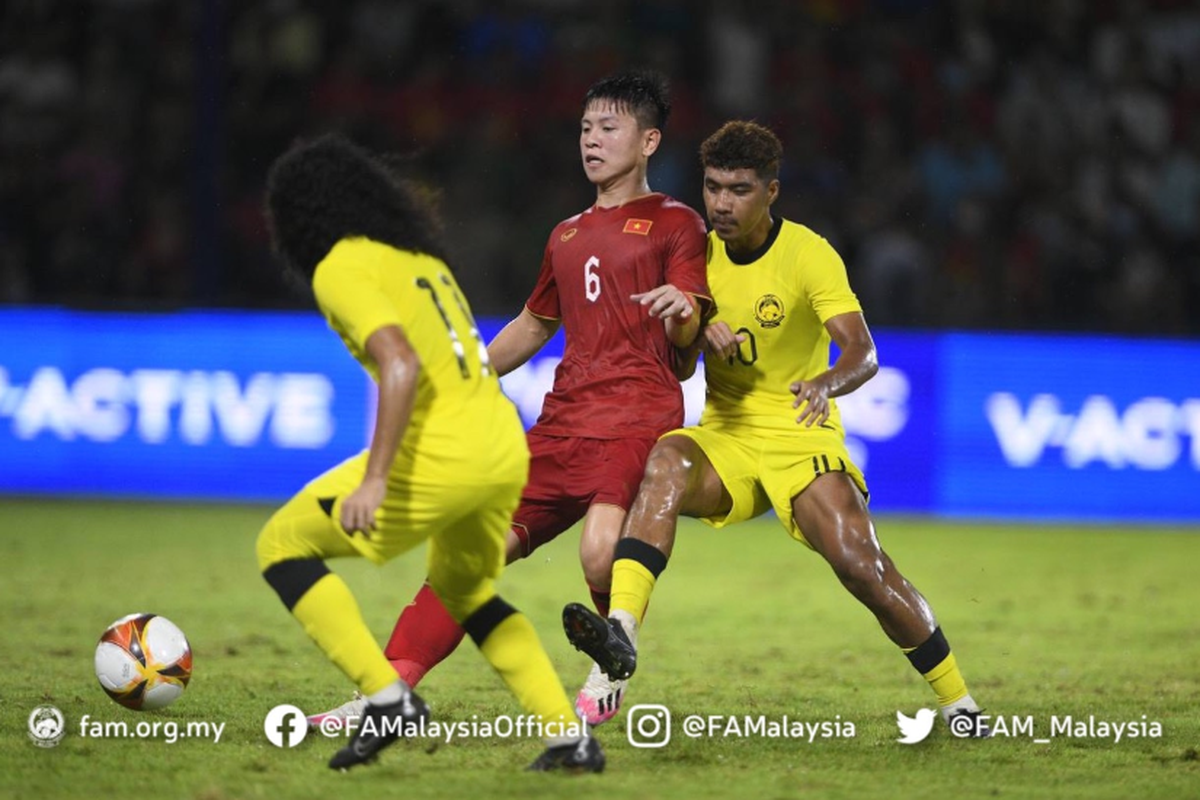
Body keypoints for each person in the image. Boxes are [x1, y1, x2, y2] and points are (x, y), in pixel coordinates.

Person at [306, 70, 710, 730]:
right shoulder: (566, 235)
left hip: (636, 415)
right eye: (585, 128)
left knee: (598, 550)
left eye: (609, 128)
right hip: (560, 424)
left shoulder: (676, 223)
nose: (591, 140)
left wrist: (681, 313)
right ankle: (384, 695)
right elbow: (532, 325)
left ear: (648, 142)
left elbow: (689, 320)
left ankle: (611, 665)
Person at [563, 120, 987, 732]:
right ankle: (618, 645)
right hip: (726, 435)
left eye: (738, 190)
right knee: (664, 464)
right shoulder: (695, 254)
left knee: (861, 567)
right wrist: (690, 329)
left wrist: (823, 384)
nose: (721, 204)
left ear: (771, 192)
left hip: (798, 434)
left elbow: (862, 354)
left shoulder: (809, 254)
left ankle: (959, 703)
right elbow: (679, 364)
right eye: (712, 188)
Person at [257, 133, 602, 772]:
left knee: (281, 545)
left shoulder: (342, 265)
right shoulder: (420, 260)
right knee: (467, 593)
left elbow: (399, 363)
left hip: (443, 452)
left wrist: (376, 478)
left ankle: (386, 697)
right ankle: (569, 737)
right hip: (501, 447)